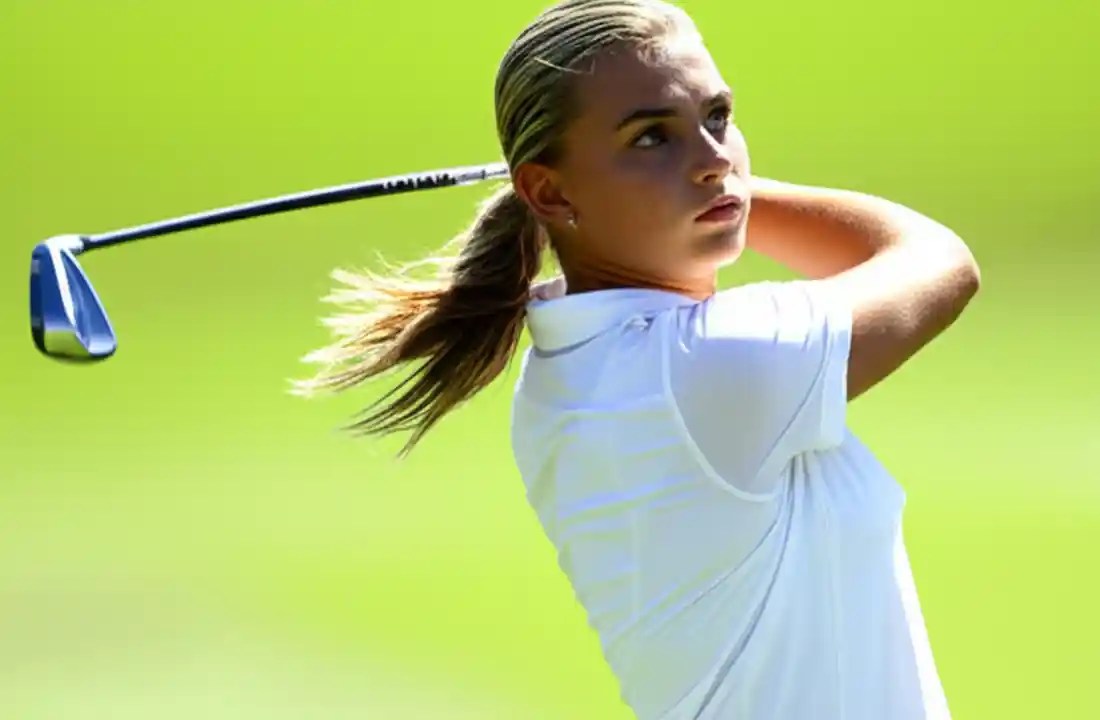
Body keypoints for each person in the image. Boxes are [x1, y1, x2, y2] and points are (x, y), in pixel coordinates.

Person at [295, 0, 980, 717]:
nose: (714, 159)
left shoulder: (571, 365)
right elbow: (938, 262)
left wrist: (688, 173)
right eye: (652, 137)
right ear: (550, 190)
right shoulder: (705, 368)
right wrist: (734, 187)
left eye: (717, 117)